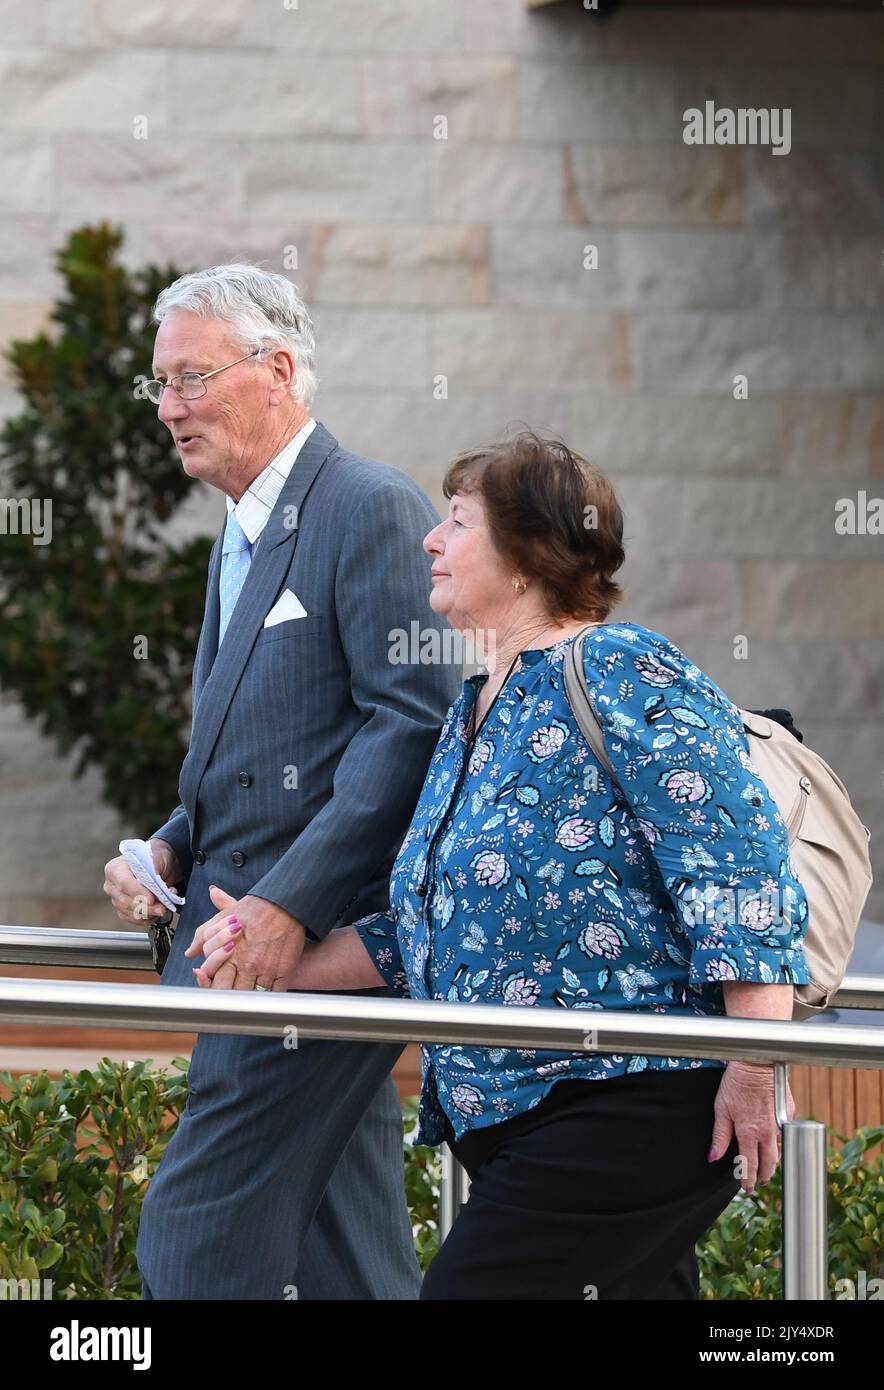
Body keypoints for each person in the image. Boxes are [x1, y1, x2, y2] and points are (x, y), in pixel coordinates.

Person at [194, 430, 812, 1300]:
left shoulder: (618, 664)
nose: (430, 541)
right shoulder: (471, 715)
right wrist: (273, 951)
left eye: (456, 522)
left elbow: (737, 861)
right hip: (527, 1120)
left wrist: (752, 1060)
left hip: (626, 1101)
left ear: (525, 558)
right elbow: (431, 934)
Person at [102, 263, 461, 1300]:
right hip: (247, 947)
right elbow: (269, 743)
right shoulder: (243, 522)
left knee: (194, 1237)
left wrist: (286, 905)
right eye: (158, 385)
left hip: (303, 955)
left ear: (279, 369)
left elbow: (411, 724)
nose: (168, 408)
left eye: (190, 379)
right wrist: (168, 842)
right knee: (345, 1255)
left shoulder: (369, 503)